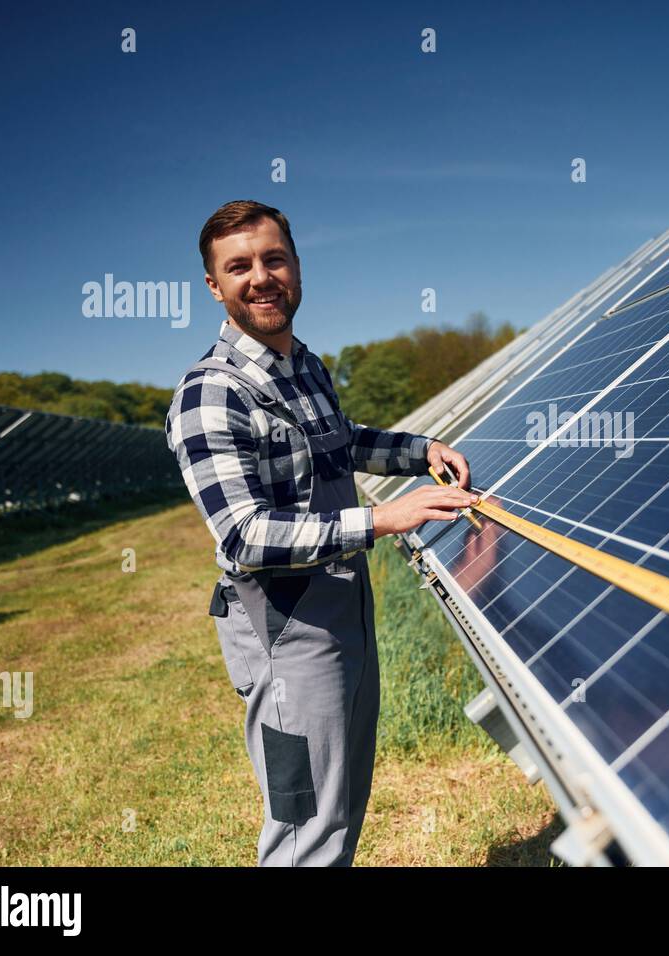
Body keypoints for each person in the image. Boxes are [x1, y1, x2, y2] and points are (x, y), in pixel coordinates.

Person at [165, 199, 479, 866]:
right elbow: (244, 535)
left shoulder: (304, 366)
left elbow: (342, 442)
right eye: (239, 266)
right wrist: (382, 518)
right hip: (284, 632)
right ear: (214, 286)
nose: (261, 277)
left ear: (297, 267)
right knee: (307, 826)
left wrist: (418, 449)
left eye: (273, 259)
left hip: (340, 614)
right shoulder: (210, 394)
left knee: (338, 808)